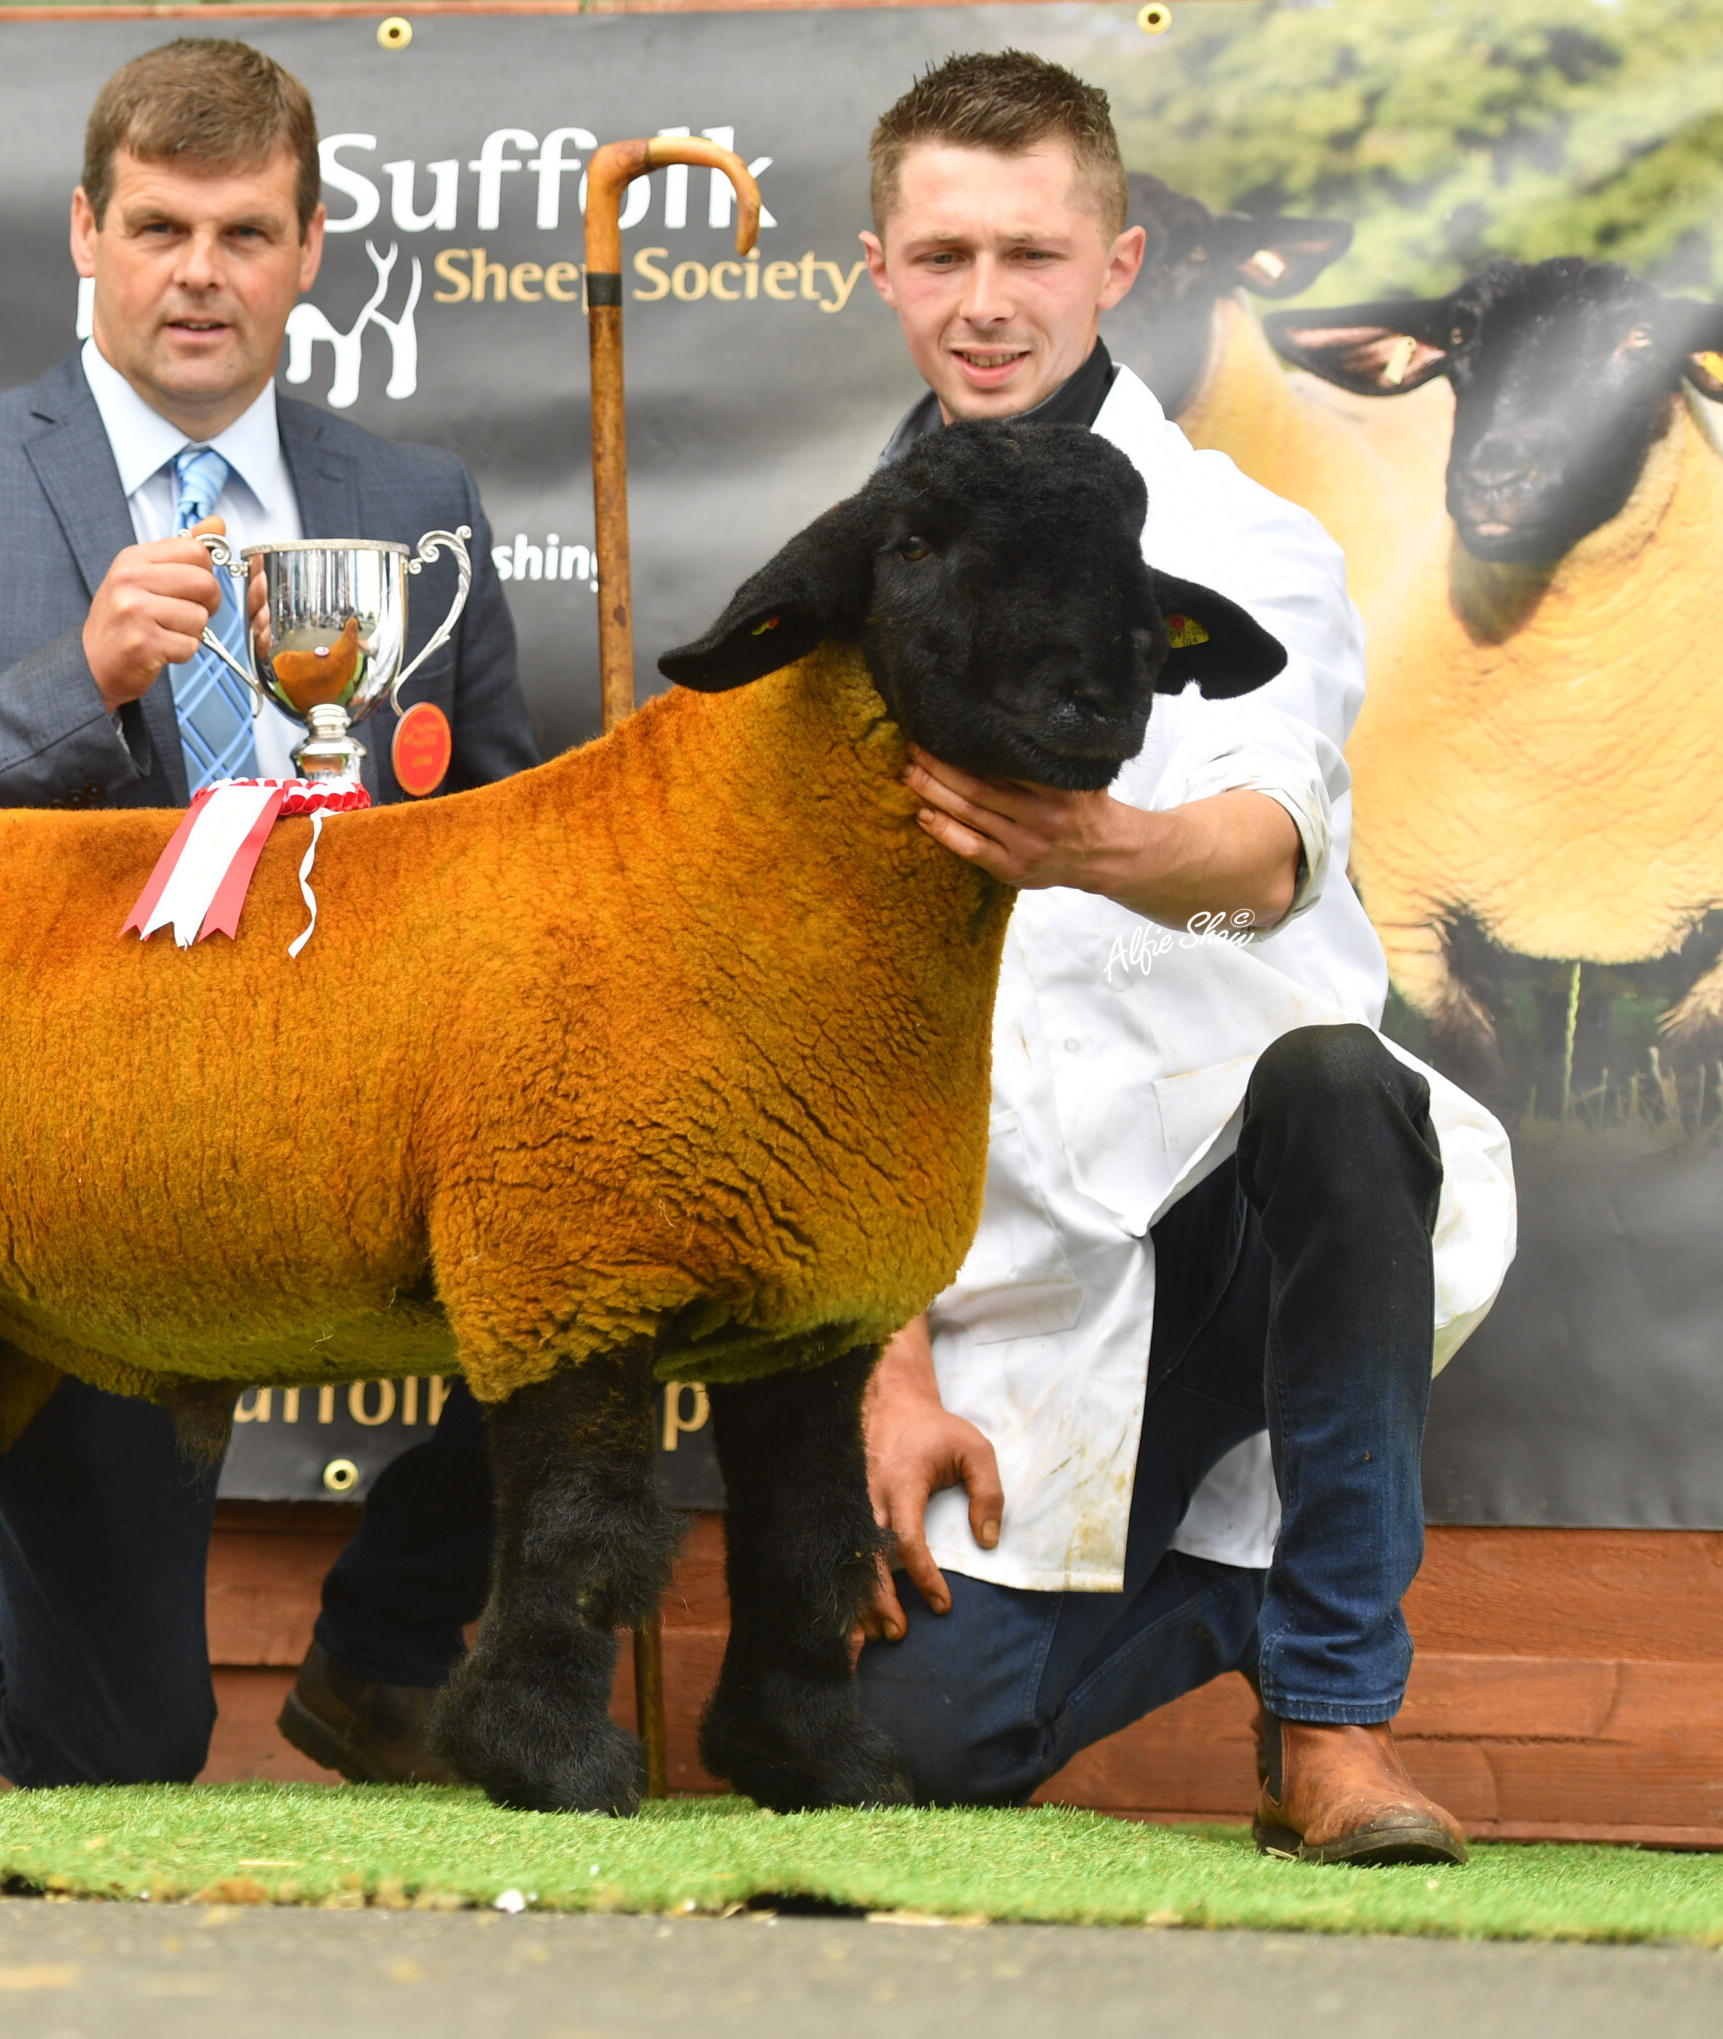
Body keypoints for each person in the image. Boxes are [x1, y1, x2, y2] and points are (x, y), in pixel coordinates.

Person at [0, 37, 532, 1790]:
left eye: (247, 232)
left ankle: (390, 1637)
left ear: (311, 246)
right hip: (69, 1181)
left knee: (624, 1257)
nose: (204, 272)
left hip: (349, 1147)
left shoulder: (421, 511)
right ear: (87, 236)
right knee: (126, 1746)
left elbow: (505, 842)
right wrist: (74, 681)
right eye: (163, 226)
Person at [840, 51, 1514, 1864]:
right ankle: (1279, 1587)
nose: (990, 303)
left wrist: (1095, 848)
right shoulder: (840, 584)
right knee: (911, 1749)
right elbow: (828, 1022)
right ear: (882, 267)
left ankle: (1335, 1724)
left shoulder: (1242, 538)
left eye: (1034, 254)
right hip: (1020, 1284)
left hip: (1257, 1225)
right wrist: (887, 1370)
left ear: (1119, 263)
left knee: (1334, 1089)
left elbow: (1273, 843)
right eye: (946, 253)